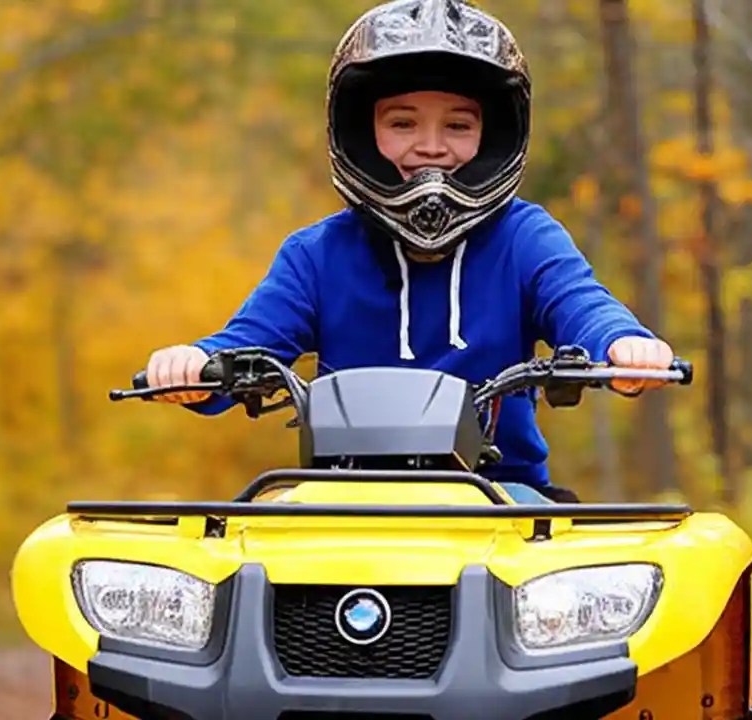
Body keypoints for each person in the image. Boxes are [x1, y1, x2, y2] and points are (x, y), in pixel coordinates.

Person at [144, 0, 673, 502]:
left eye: (458, 125)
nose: (431, 146)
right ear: (360, 130)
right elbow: (246, 345)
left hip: (502, 499)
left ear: (493, 136)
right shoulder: (316, 255)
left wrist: (621, 343)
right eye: (402, 123)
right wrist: (196, 365)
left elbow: (583, 304)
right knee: (240, 558)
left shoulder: (525, 238)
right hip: (338, 499)